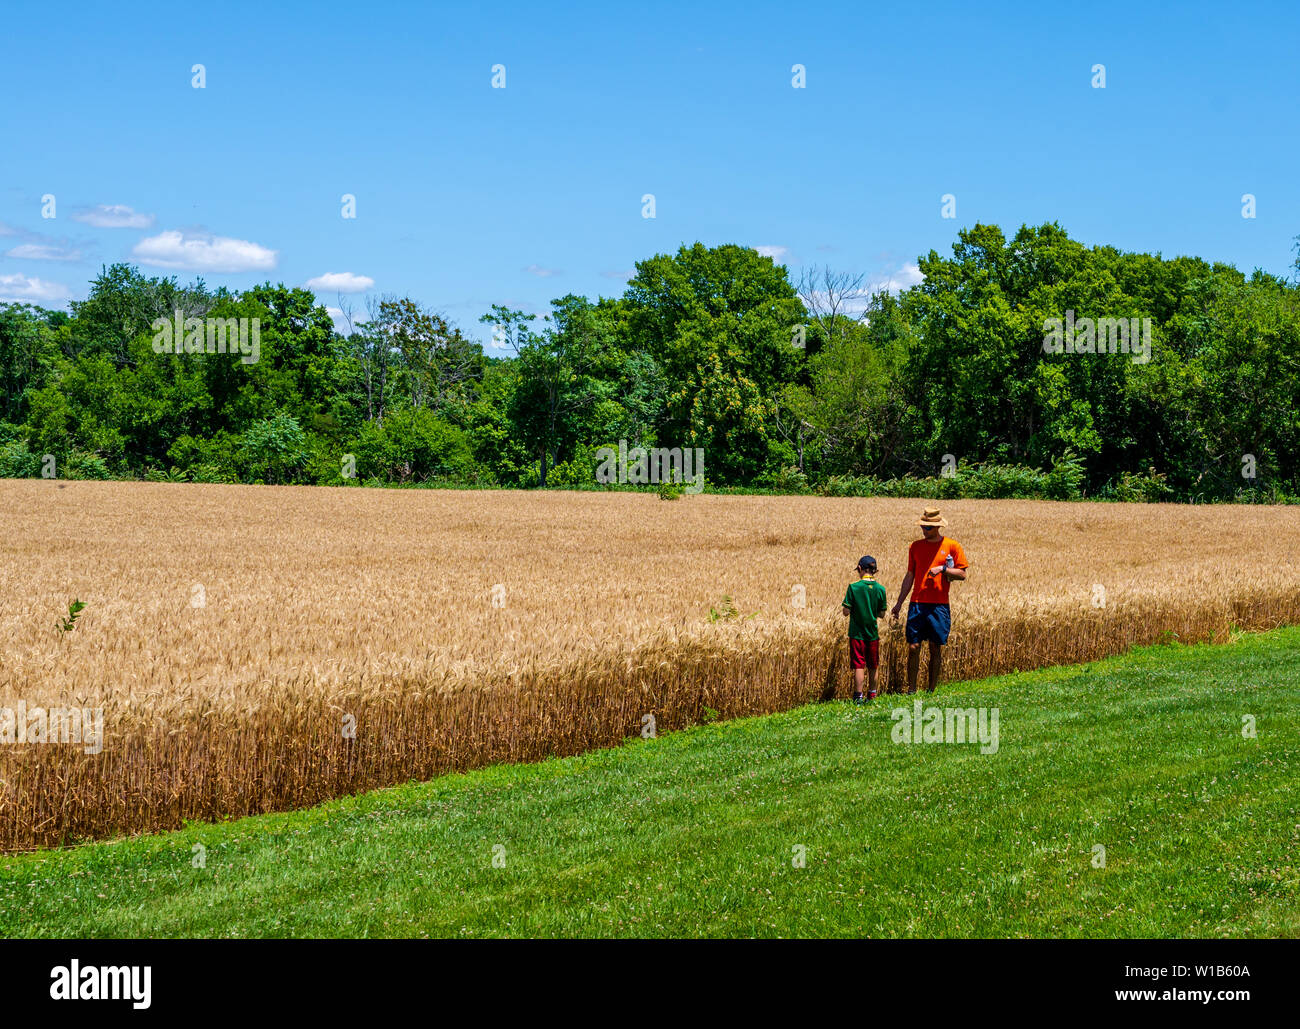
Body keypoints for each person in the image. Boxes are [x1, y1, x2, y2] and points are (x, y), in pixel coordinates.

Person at [889, 508, 969, 693]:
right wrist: (900, 602)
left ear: (937, 527)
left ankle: (931, 689)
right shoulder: (915, 547)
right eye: (923, 527)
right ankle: (912, 689)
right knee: (913, 646)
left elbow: (962, 574)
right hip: (917, 603)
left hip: (939, 605)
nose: (924, 530)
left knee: (935, 647)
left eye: (928, 528)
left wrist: (943, 569)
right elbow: (910, 575)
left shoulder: (952, 546)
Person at [842, 555, 888, 703]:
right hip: (873, 634)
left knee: (859, 665)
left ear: (860, 569)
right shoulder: (881, 589)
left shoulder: (854, 587)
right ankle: (872, 695)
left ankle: (858, 696)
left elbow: (846, 611)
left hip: (857, 634)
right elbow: (881, 614)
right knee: (873, 665)